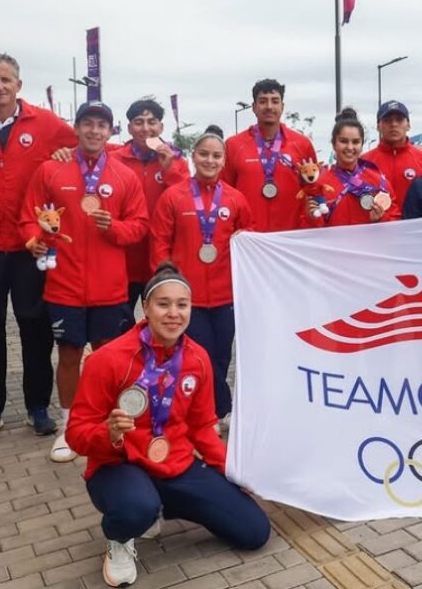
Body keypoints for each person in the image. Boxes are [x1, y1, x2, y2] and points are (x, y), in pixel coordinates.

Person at [66, 263, 270, 587]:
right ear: (145, 308)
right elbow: (76, 433)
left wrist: (231, 470)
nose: (173, 313)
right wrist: (108, 433)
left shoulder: (198, 358)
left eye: (182, 304)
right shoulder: (108, 359)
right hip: (118, 465)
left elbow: (203, 427)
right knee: (136, 507)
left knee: (254, 531)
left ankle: (157, 507)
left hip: (174, 463)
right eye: (163, 304)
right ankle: (120, 537)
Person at [0, 54, 79, 442]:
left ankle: (37, 407)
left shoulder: (46, 123)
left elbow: (83, 150)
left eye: (6, 79)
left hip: (32, 246)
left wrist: (65, 156)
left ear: (19, 85)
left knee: (34, 327)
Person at [22, 101, 149, 462]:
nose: (94, 131)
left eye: (101, 126)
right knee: (68, 354)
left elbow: (140, 224)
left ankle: (113, 425)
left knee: (109, 358)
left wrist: (118, 228)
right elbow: (29, 216)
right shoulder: (51, 169)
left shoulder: (124, 175)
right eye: (88, 124)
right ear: (76, 128)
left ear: (110, 132)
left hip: (110, 287)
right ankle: (68, 426)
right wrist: (36, 239)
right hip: (64, 283)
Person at [150, 133, 254, 420]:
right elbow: (159, 242)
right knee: (197, 356)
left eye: (216, 156)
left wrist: (246, 237)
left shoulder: (235, 199)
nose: (210, 160)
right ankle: (217, 409)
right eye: (204, 154)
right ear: (193, 156)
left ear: (224, 161)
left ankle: (213, 410)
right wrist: (167, 285)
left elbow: (249, 236)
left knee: (222, 356)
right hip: (187, 298)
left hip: (225, 295)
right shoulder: (173, 196)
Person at [110, 97, 191, 311]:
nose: (145, 128)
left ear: (161, 127)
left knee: (160, 323)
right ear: (129, 128)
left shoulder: (177, 161)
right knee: (120, 326)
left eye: (152, 122)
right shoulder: (114, 160)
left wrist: (169, 170)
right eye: (139, 122)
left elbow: (185, 203)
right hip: (123, 261)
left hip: (162, 261)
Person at [222, 79, 318, 232]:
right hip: (248, 239)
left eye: (275, 101)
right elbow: (224, 193)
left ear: (282, 106)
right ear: (253, 107)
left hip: (290, 238)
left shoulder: (302, 145)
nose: (269, 107)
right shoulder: (234, 145)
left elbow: (313, 189)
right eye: (262, 101)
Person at [304, 108, 397, 227]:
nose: (349, 147)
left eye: (356, 142)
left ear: (362, 144)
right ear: (333, 144)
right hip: (333, 245)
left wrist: (381, 218)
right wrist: (312, 218)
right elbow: (308, 232)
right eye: (343, 141)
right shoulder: (319, 184)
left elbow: (395, 223)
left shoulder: (378, 182)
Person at [361, 100, 422, 212]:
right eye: (387, 120)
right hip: (377, 227)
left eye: (399, 120)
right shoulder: (363, 162)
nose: (393, 124)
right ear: (378, 126)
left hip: (416, 227)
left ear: (408, 125)